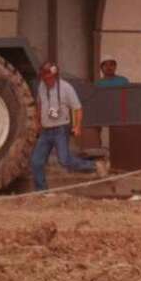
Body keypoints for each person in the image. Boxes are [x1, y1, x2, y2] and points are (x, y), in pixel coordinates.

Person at [30, 60, 99, 191]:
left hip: (60, 129)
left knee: (64, 160)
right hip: (45, 131)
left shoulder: (66, 88)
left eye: (48, 77)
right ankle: (42, 191)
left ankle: (94, 166)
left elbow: (77, 108)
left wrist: (77, 126)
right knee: (36, 162)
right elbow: (40, 105)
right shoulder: (41, 87)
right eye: (44, 77)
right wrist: (38, 122)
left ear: (55, 76)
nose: (46, 80)